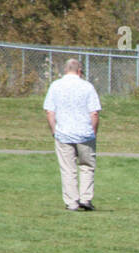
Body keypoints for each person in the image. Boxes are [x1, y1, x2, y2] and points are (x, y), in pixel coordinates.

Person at [42, 58, 101, 211]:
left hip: (64, 134)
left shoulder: (55, 86)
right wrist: (93, 132)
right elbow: (94, 113)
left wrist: (55, 131)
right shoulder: (87, 87)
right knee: (87, 167)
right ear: (79, 71)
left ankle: (72, 202)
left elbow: (49, 111)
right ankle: (86, 198)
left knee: (68, 169)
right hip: (85, 134)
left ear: (65, 70)